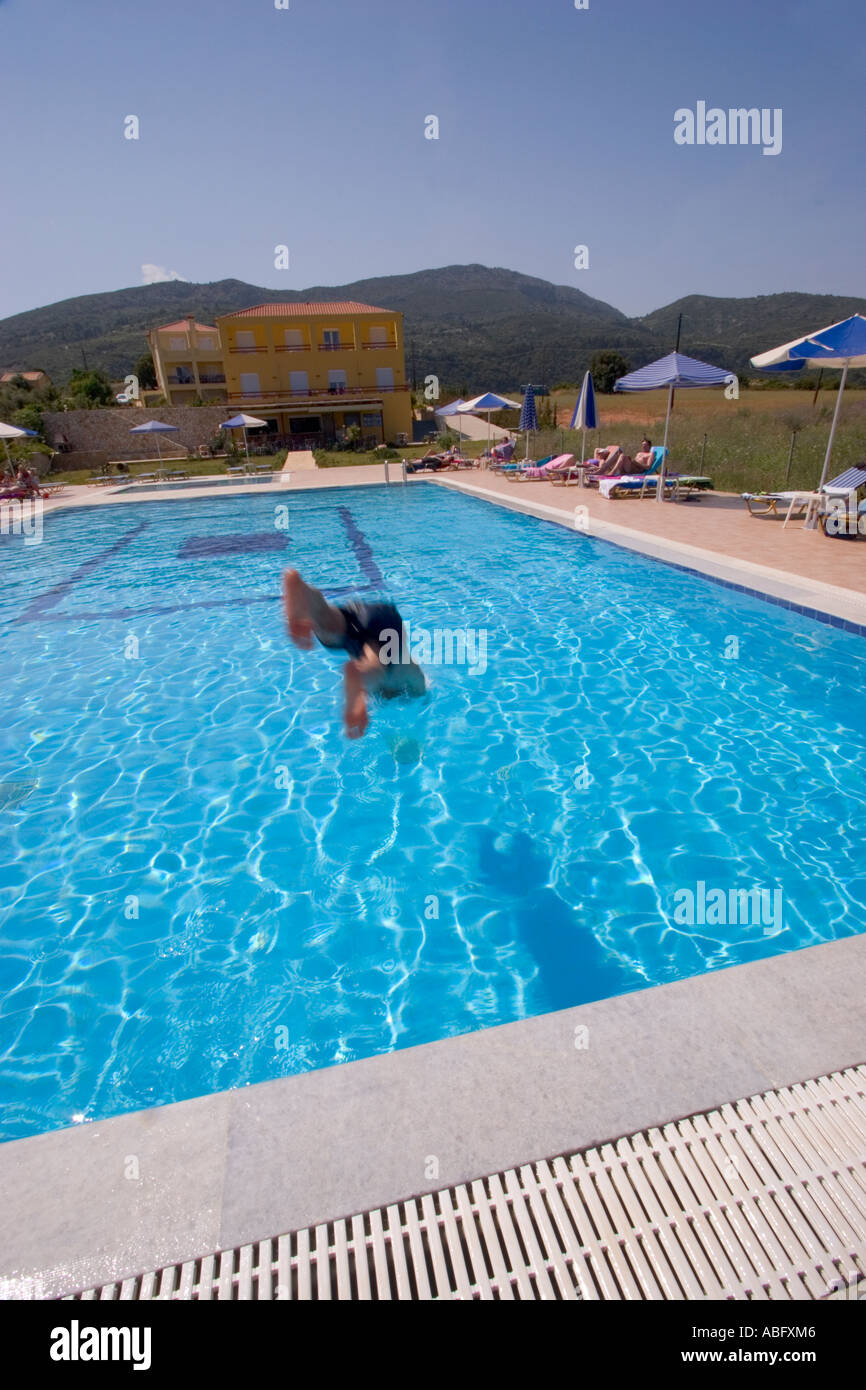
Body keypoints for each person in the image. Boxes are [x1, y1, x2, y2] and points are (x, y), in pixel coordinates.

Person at [283, 569, 426, 738]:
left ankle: (303, 591)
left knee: (325, 619)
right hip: (385, 625)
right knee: (379, 665)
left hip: (360, 615)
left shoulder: (395, 681)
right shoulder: (409, 680)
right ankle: (359, 674)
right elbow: (411, 682)